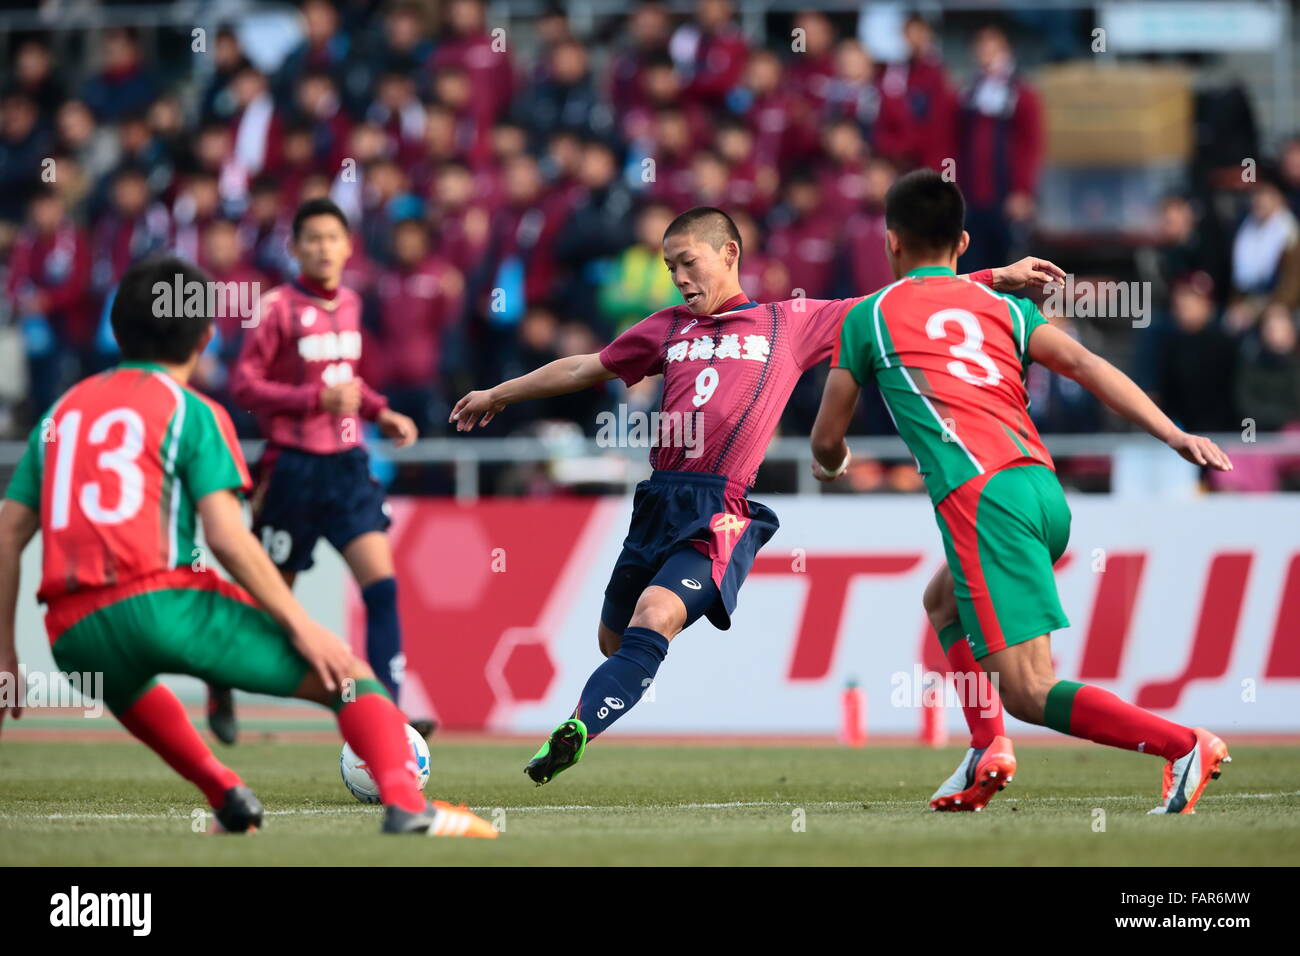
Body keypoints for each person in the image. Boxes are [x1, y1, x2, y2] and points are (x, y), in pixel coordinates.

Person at [450, 204, 1061, 785]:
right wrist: (499, 393)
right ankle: (601, 702)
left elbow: (894, 303)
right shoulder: (665, 328)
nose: (679, 277)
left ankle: (577, 729)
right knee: (614, 643)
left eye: (688, 262)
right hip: (657, 501)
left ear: (729, 254)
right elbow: (585, 367)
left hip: (719, 510)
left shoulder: (787, 323)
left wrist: (994, 277)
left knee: (653, 617)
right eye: (669, 268)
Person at [0, 256, 492, 837]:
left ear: (117, 329)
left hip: (71, 632)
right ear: (207, 336)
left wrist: (7, 653)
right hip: (162, 606)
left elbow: (9, 531)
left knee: (128, 687)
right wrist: (302, 627)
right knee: (351, 676)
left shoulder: (61, 412)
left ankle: (229, 796)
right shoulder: (193, 412)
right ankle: (409, 805)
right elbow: (228, 539)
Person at [810, 170, 1233, 814]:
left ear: (891, 243)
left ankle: (1183, 744)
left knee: (1030, 690)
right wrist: (1173, 434)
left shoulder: (869, 317)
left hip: (986, 501)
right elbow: (1086, 365)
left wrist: (835, 464)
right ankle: (988, 750)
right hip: (1040, 487)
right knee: (943, 601)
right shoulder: (1006, 307)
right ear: (964, 241)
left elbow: (824, 438)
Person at [224, 198, 430, 744]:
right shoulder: (275, 308)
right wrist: (316, 398)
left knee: (382, 590)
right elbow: (244, 386)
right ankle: (218, 672)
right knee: (269, 606)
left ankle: (390, 712)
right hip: (292, 472)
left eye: (331, 237)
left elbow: (348, 382)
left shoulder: (354, 303)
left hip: (348, 468)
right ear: (293, 248)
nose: (322, 247)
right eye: (310, 238)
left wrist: (380, 411)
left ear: (347, 246)